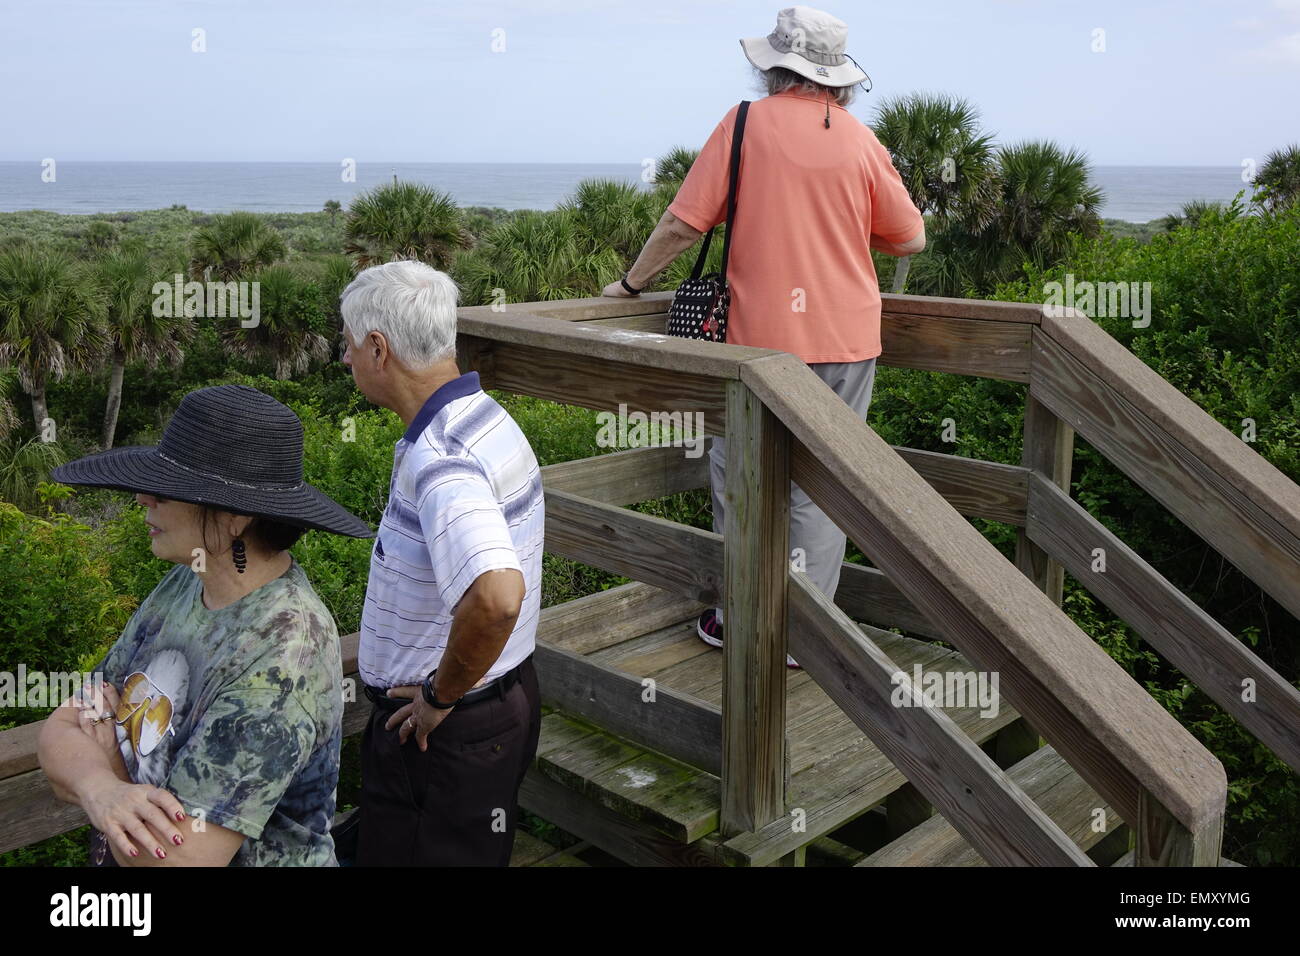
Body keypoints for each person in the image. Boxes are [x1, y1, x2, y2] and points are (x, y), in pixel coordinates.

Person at [602, 6, 925, 667]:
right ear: (839, 79)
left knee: (742, 478)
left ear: (773, 66)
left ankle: (740, 618)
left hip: (757, 346)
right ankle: (805, 636)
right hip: (848, 340)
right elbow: (910, 236)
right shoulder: (863, 142)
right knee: (822, 488)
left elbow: (683, 225)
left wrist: (631, 288)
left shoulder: (745, 125)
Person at [37, 384, 373, 866]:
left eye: (167, 490)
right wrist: (102, 791)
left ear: (234, 516)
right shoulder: (184, 584)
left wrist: (109, 761)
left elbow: (175, 858)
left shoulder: (282, 654)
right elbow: (63, 727)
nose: (142, 498)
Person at [340, 260, 545, 867]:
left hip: (442, 736)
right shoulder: (487, 418)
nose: (345, 360)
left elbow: (497, 596)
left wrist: (438, 698)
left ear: (378, 348)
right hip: (496, 708)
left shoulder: (442, 459)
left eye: (348, 346)